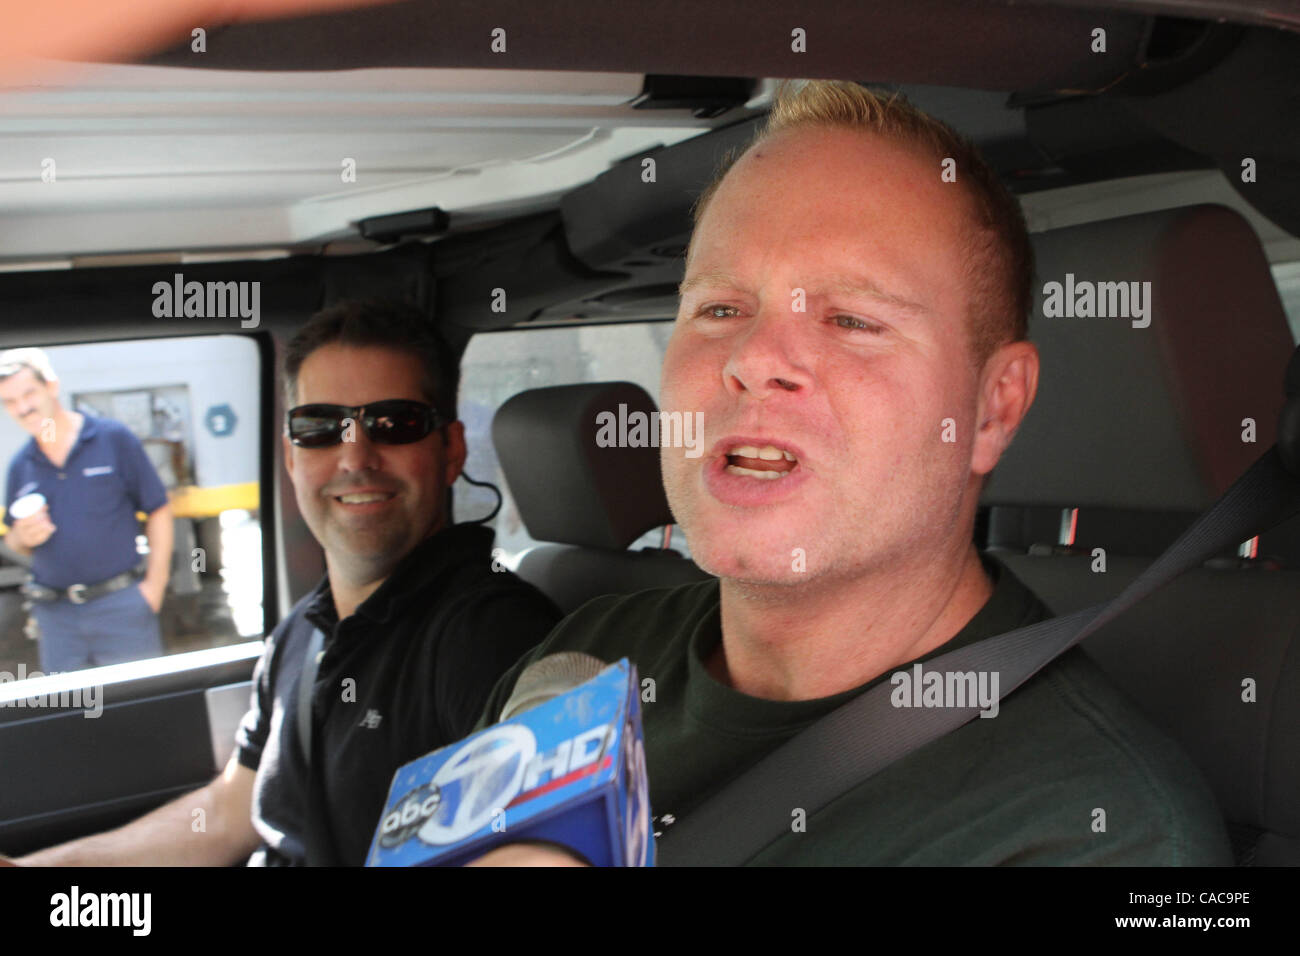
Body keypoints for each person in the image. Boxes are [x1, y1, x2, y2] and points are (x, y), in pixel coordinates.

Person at [470, 81, 1233, 865]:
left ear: (993, 409)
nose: (752, 359)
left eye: (853, 320)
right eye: (721, 308)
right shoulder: (585, 662)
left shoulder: (1098, 829)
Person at [9, 299, 562, 866]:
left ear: (451, 451)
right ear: (292, 458)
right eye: (320, 428)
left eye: (394, 423)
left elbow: (537, 851)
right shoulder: (304, 629)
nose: (355, 456)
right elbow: (231, 813)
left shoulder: (488, 634)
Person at [0, 347, 172, 671]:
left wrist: (154, 588)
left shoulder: (112, 439)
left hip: (121, 607)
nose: (23, 408)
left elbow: (159, 509)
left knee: (141, 711)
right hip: (56, 618)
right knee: (73, 717)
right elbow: (12, 541)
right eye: (9, 402)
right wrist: (22, 536)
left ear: (51, 386)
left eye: (28, 394)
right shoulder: (20, 466)